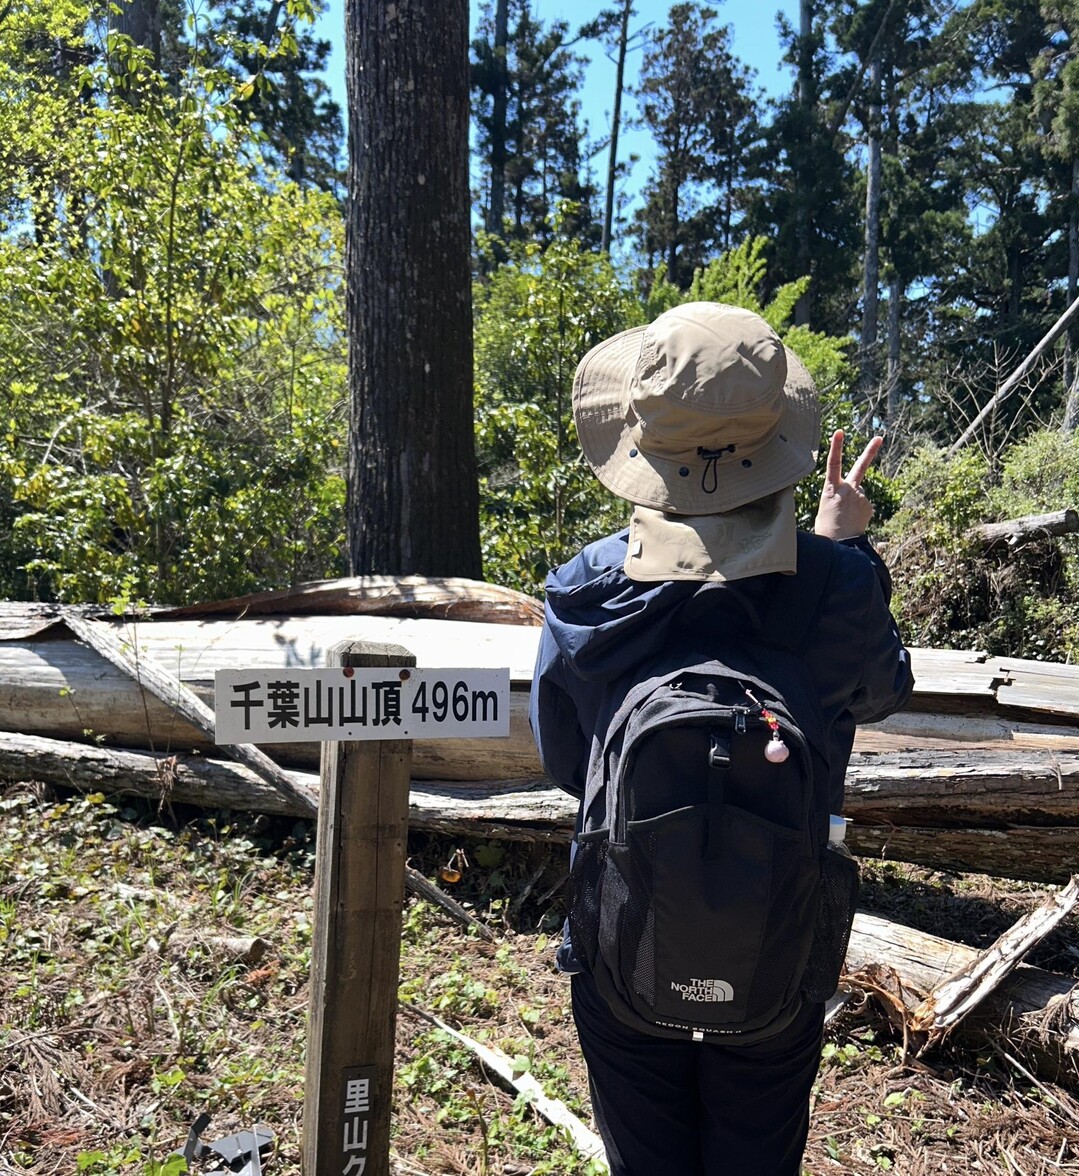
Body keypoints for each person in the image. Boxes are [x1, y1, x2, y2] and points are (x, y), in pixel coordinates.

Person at [529, 301, 914, 1176]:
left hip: (624, 928)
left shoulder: (587, 589)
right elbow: (883, 689)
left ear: (639, 436)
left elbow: (566, 762)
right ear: (777, 434)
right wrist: (844, 550)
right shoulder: (835, 587)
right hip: (778, 932)